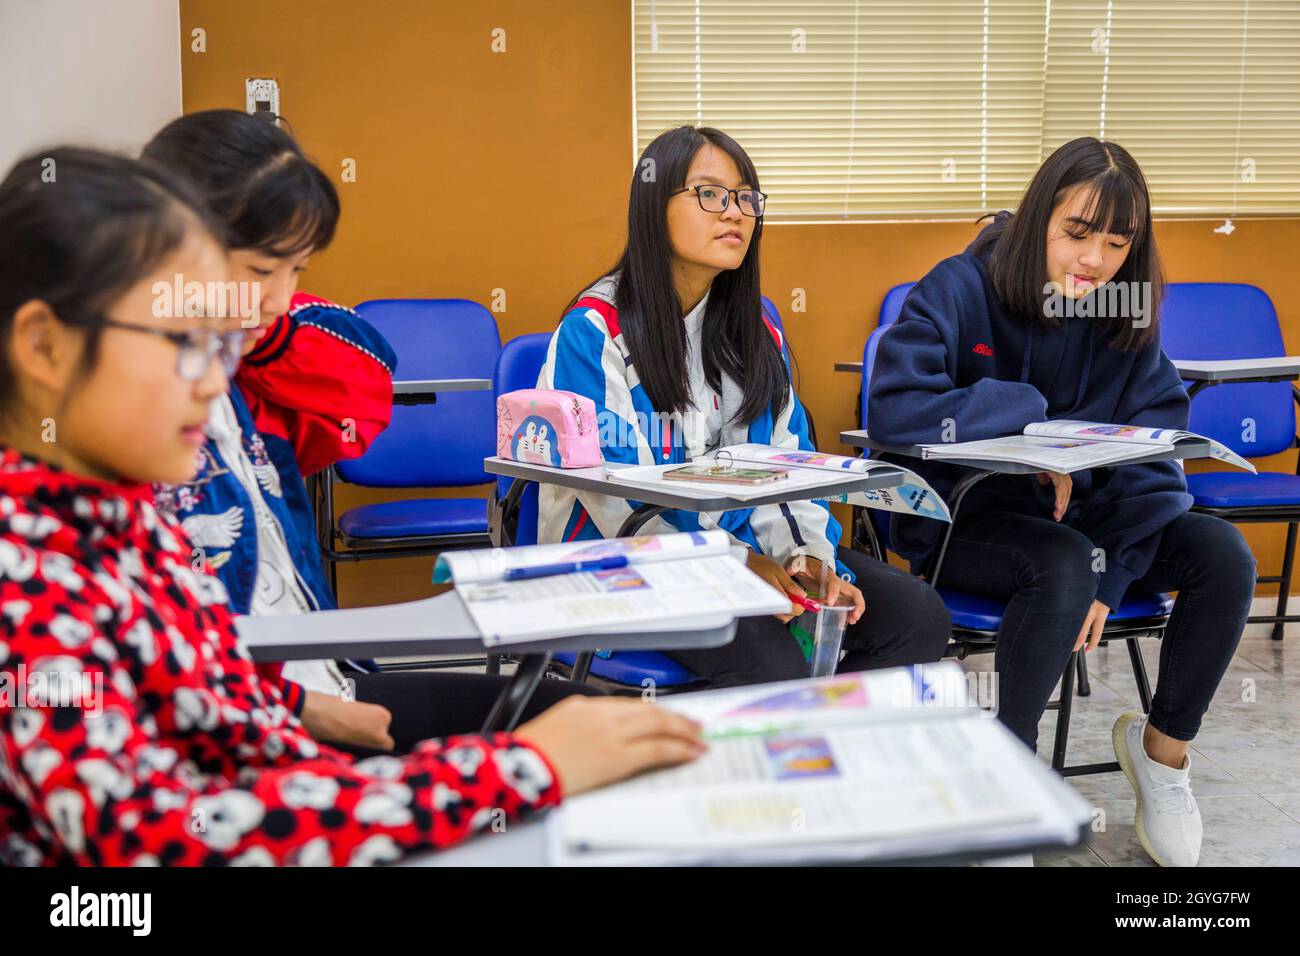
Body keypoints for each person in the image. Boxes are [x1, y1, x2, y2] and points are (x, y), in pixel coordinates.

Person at [0, 146, 703, 866]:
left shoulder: (115, 516)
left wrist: (297, 708)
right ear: (45, 346)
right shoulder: (26, 582)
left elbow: (195, 684)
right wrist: (517, 768)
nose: (215, 382)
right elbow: (159, 839)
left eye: (220, 343)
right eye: (181, 341)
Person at [143, 110, 600, 755]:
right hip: (263, 723)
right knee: (556, 748)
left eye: (295, 272)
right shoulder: (129, 412)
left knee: (587, 721)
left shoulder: (234, 372)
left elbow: (364, 373)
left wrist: (246, 321)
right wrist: (304, 711)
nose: (277, 297)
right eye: (257, 270)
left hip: (315, 681)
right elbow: (148, 656)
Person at [868, 136, 1257, 867]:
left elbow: (1156, 449)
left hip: (1087, 532)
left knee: (1223, 555)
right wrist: (1026, 409)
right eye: (1077, 234)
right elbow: (896, 409)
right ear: (1041, 217)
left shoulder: (1122, 310)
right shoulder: (959, 287)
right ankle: (1004, 785)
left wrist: (1116, 572)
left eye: (1117, 242)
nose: (1095, 260)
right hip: (966, 524)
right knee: (1064, 562)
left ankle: (1163, 758)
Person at [538, 125, 951, 687]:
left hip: (745, 551)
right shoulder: (594, 331)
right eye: (709, 194)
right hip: (626, 563)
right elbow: (619, 500)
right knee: (768, 656)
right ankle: (750, 760)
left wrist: (804, 558)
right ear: (653, 208)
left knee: (917, 618)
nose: (733, 212)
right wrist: (737, 566)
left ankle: (821, 752)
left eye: (745, 198)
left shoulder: (756, 336)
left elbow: (790, 468)